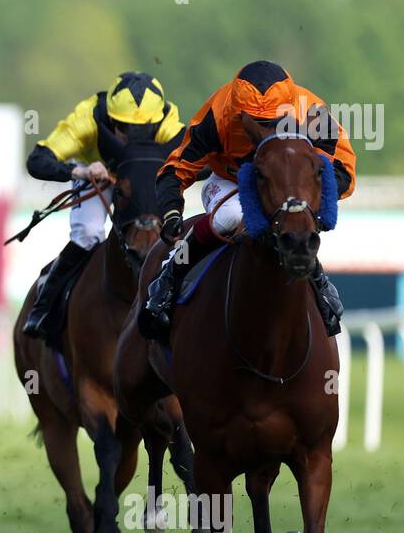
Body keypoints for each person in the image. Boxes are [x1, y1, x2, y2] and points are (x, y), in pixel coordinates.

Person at [138, 59, 357, 341]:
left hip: (286, 181)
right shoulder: (218, 114)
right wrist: (170, 211)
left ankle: (318, 279)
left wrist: (313, 198)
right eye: (258, 122)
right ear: (238, 111)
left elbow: (342, 171)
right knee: (232, 216)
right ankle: (169, 277)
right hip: (231, 179)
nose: (266, 131)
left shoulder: (314, 114)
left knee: (296, 220)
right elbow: (176, 169)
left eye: (274, 121)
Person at [22, 71, 185, 337]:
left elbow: (198, 159)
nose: (135, 138)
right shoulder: (86, 118)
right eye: (127, 129)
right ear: (110, 119)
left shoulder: (170, 122)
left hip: (143, 177)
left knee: (162, 233)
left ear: (159, 121)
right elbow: (37, 161)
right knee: (88, 233)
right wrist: (80, 173)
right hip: (98, 173)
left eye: (145, 131)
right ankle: (43, 308)